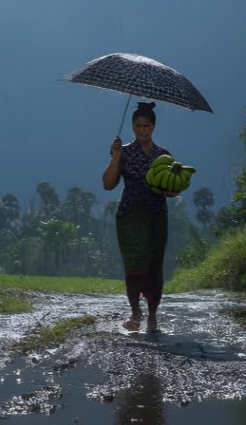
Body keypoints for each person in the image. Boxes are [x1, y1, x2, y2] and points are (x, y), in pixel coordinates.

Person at [102, 101, 171, 333]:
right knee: (133, 265)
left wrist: (166, 190)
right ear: (132, 126)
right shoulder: (124, 152)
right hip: (129, 216)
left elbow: (172, 189)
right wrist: (115, 156)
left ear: (153, 126)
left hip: (156, 217)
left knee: (154, 266)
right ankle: (135, 312)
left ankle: (152, 315)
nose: (143, 129)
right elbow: (108, 184)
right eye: (139, 125)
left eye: (147, 125)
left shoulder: (163, 155)